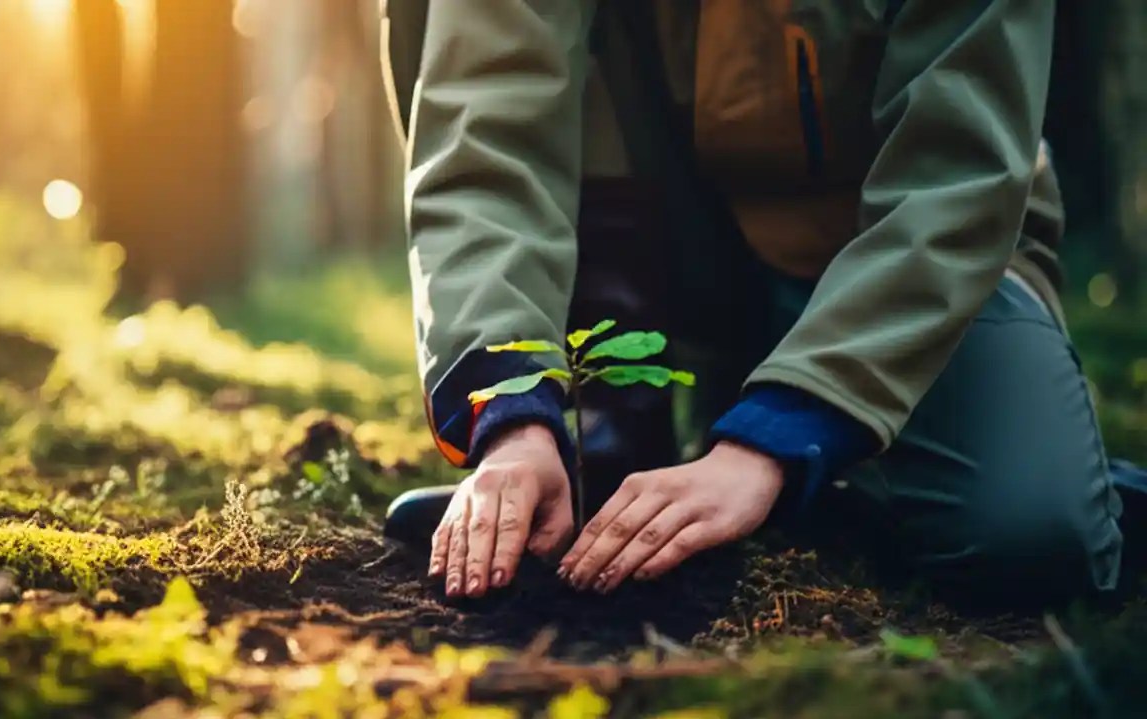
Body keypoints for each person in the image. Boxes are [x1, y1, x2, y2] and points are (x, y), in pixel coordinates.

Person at [377, 0, 1146, 605]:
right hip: (684, 255)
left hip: (912, 264)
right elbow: (487, 131)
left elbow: (957, 180)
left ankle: (828, 455)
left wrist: (774, 441)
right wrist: (512, 416)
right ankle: (602, 437)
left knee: (1032, 532)